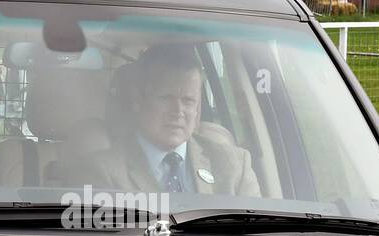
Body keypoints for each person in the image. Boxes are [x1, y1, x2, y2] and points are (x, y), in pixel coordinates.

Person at [85, 45, 260, 196]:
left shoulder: (235, 166)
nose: (178, 112)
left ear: (198, 107)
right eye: (166, 98)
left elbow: (256, 231)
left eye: (188, 101)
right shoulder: (103, 171)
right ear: (138, 99)